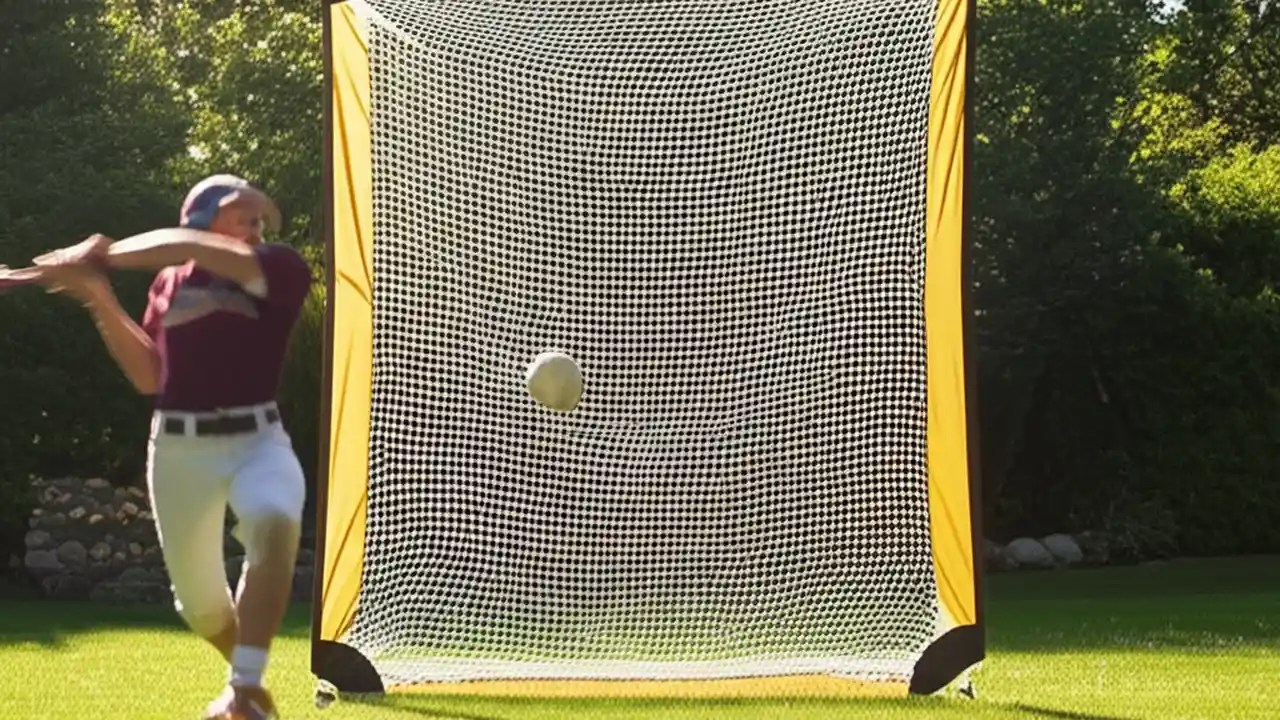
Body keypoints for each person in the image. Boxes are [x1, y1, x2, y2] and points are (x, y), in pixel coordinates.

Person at [17, 174, 313, 720]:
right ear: (202, 218)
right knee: (200, 608)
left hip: (258, 440)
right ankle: (249, 692)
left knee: (274, 520)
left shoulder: (280, 267)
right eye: (238, 216)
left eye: (255, 218)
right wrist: (96, 295)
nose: (254, 228)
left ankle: (244, 691)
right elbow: (151, 376)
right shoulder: (169, 283)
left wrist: (100, 254)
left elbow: (188, 245)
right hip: (178, 449)